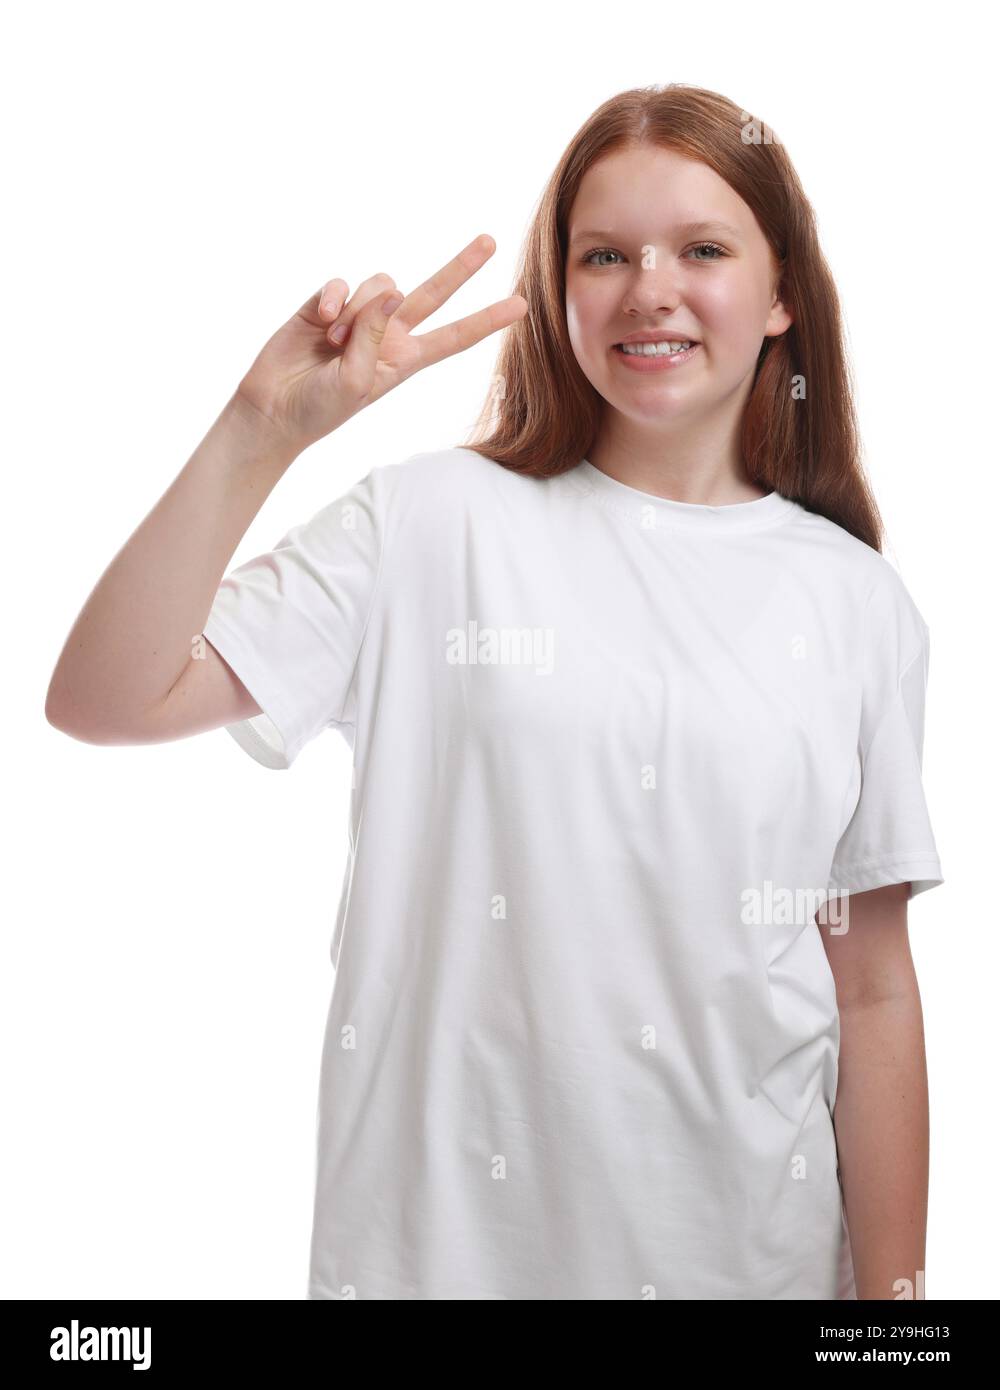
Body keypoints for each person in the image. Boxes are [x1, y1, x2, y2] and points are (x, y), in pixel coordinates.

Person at [46, 83, 944, 1301]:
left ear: (781, 293)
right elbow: (104, 698)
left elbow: (873, 988)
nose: (650, 289)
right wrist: (262, 427)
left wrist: (894, 1317)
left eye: (703, 249)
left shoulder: (855, 604)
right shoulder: (431, 523)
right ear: (561, 289)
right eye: (604, 254)